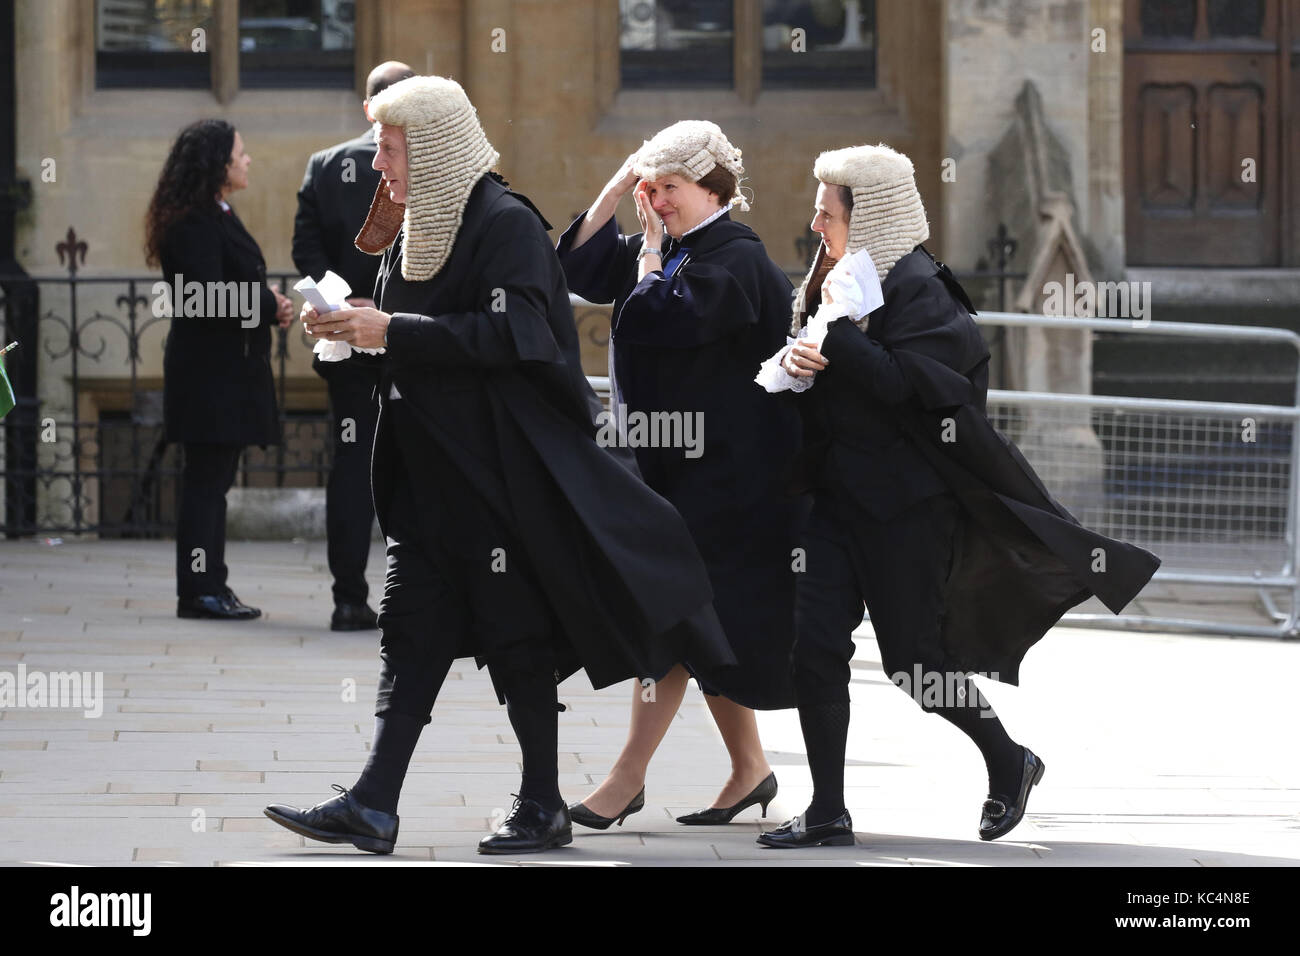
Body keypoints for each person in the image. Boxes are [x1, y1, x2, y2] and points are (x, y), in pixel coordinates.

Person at [263, 76, 736, 855]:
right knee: (409, 637)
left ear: (434, 148)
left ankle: (540, 804)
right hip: (429, 478)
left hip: (495, 480)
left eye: (389, 150)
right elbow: (407, 331)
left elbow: (520, 336)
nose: (377, 167)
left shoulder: (506, 222)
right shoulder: (417, 225)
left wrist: (396, 331)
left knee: (516, 643)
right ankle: (374, 804)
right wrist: (350, 329)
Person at [754, 144, 1161, 847]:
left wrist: (840, 345)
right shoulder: (835, 281)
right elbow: (831, 377)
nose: (815, 225)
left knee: (915, 666)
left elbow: (920, 394)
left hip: (907, 511)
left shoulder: (920, 288)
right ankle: (826, 810)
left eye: (827, 212)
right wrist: (797, 361)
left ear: (868, 214)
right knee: (813, 649)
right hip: (833, 503)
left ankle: (1010, 761)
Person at [556, 121, 807, 828]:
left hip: (729, 484)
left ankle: (625, 779)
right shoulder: (670, 244)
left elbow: (654, 317)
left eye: (670, 188)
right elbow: (578, 266)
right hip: (674, 474)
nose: (655, 201)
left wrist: (649, 259)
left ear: (713, 189)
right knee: (693, 628)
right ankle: (752, 768)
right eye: (650, 187)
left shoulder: (734, 257)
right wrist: (616, 184)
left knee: (672, 622)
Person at [145, 119, 294, 621]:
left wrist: (271, 305)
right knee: (205, 485)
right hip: (208, 374)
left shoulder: (216, 213)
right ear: (218, 165)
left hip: (227, 370)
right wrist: (268, 304)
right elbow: (200, 297)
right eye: (240, 154)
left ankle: (213, 585)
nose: (248, 160)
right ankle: (198, 591)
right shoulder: (191, 221)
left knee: (214, 483)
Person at [292, 60, 414, 632]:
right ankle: (414, 595)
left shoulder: (323, 165)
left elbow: (305, 250)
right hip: (411, 334)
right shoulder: (424, 163)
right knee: (418, 462)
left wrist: (341, 305)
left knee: (352, 460)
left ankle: (348, 597)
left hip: (346, 340)